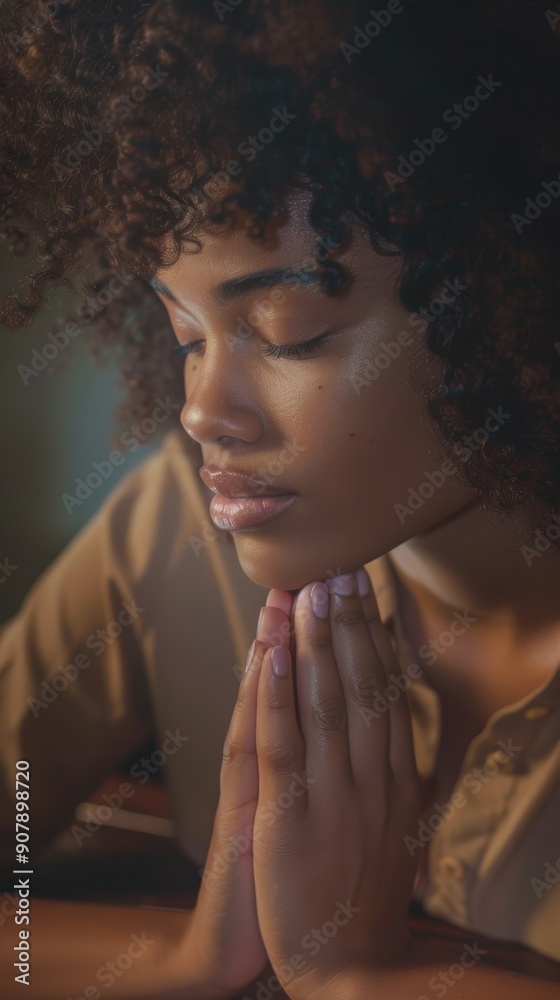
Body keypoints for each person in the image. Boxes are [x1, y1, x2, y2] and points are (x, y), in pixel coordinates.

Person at [0, 0, 559, 997]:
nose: (203, 413)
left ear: (512, 294)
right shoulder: (183, 527)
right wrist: (188, 960)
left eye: (289, 329)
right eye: (183, 335)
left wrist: (351, 975)